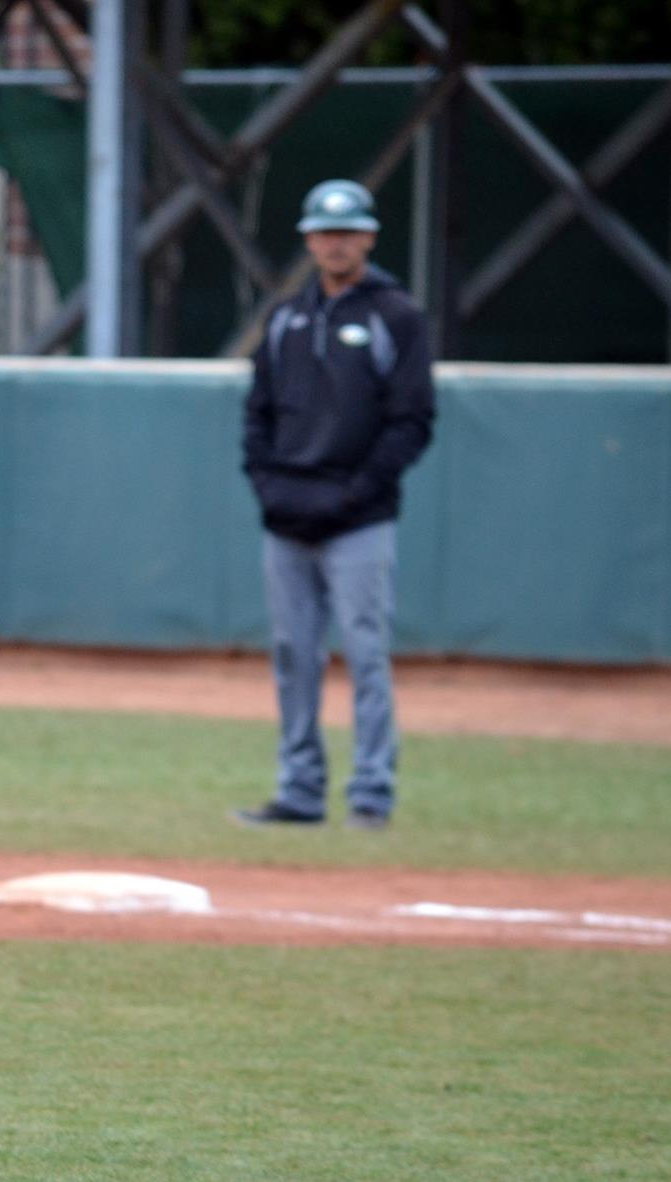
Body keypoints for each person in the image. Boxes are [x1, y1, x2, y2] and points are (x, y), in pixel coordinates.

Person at [235, 179, 435, 832]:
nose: (335, 243)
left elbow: (412, 420)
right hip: (288, 517)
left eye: (347, 232)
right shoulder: (289, 317)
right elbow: (257, 414)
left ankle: (370, 795)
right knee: (294, 653)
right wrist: (268, 486)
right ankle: (299, 791)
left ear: (369, 238)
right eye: (324, 232)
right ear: (308, 240)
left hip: (358, 519)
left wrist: (359, 490)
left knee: (365, 653)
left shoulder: (395, 316)